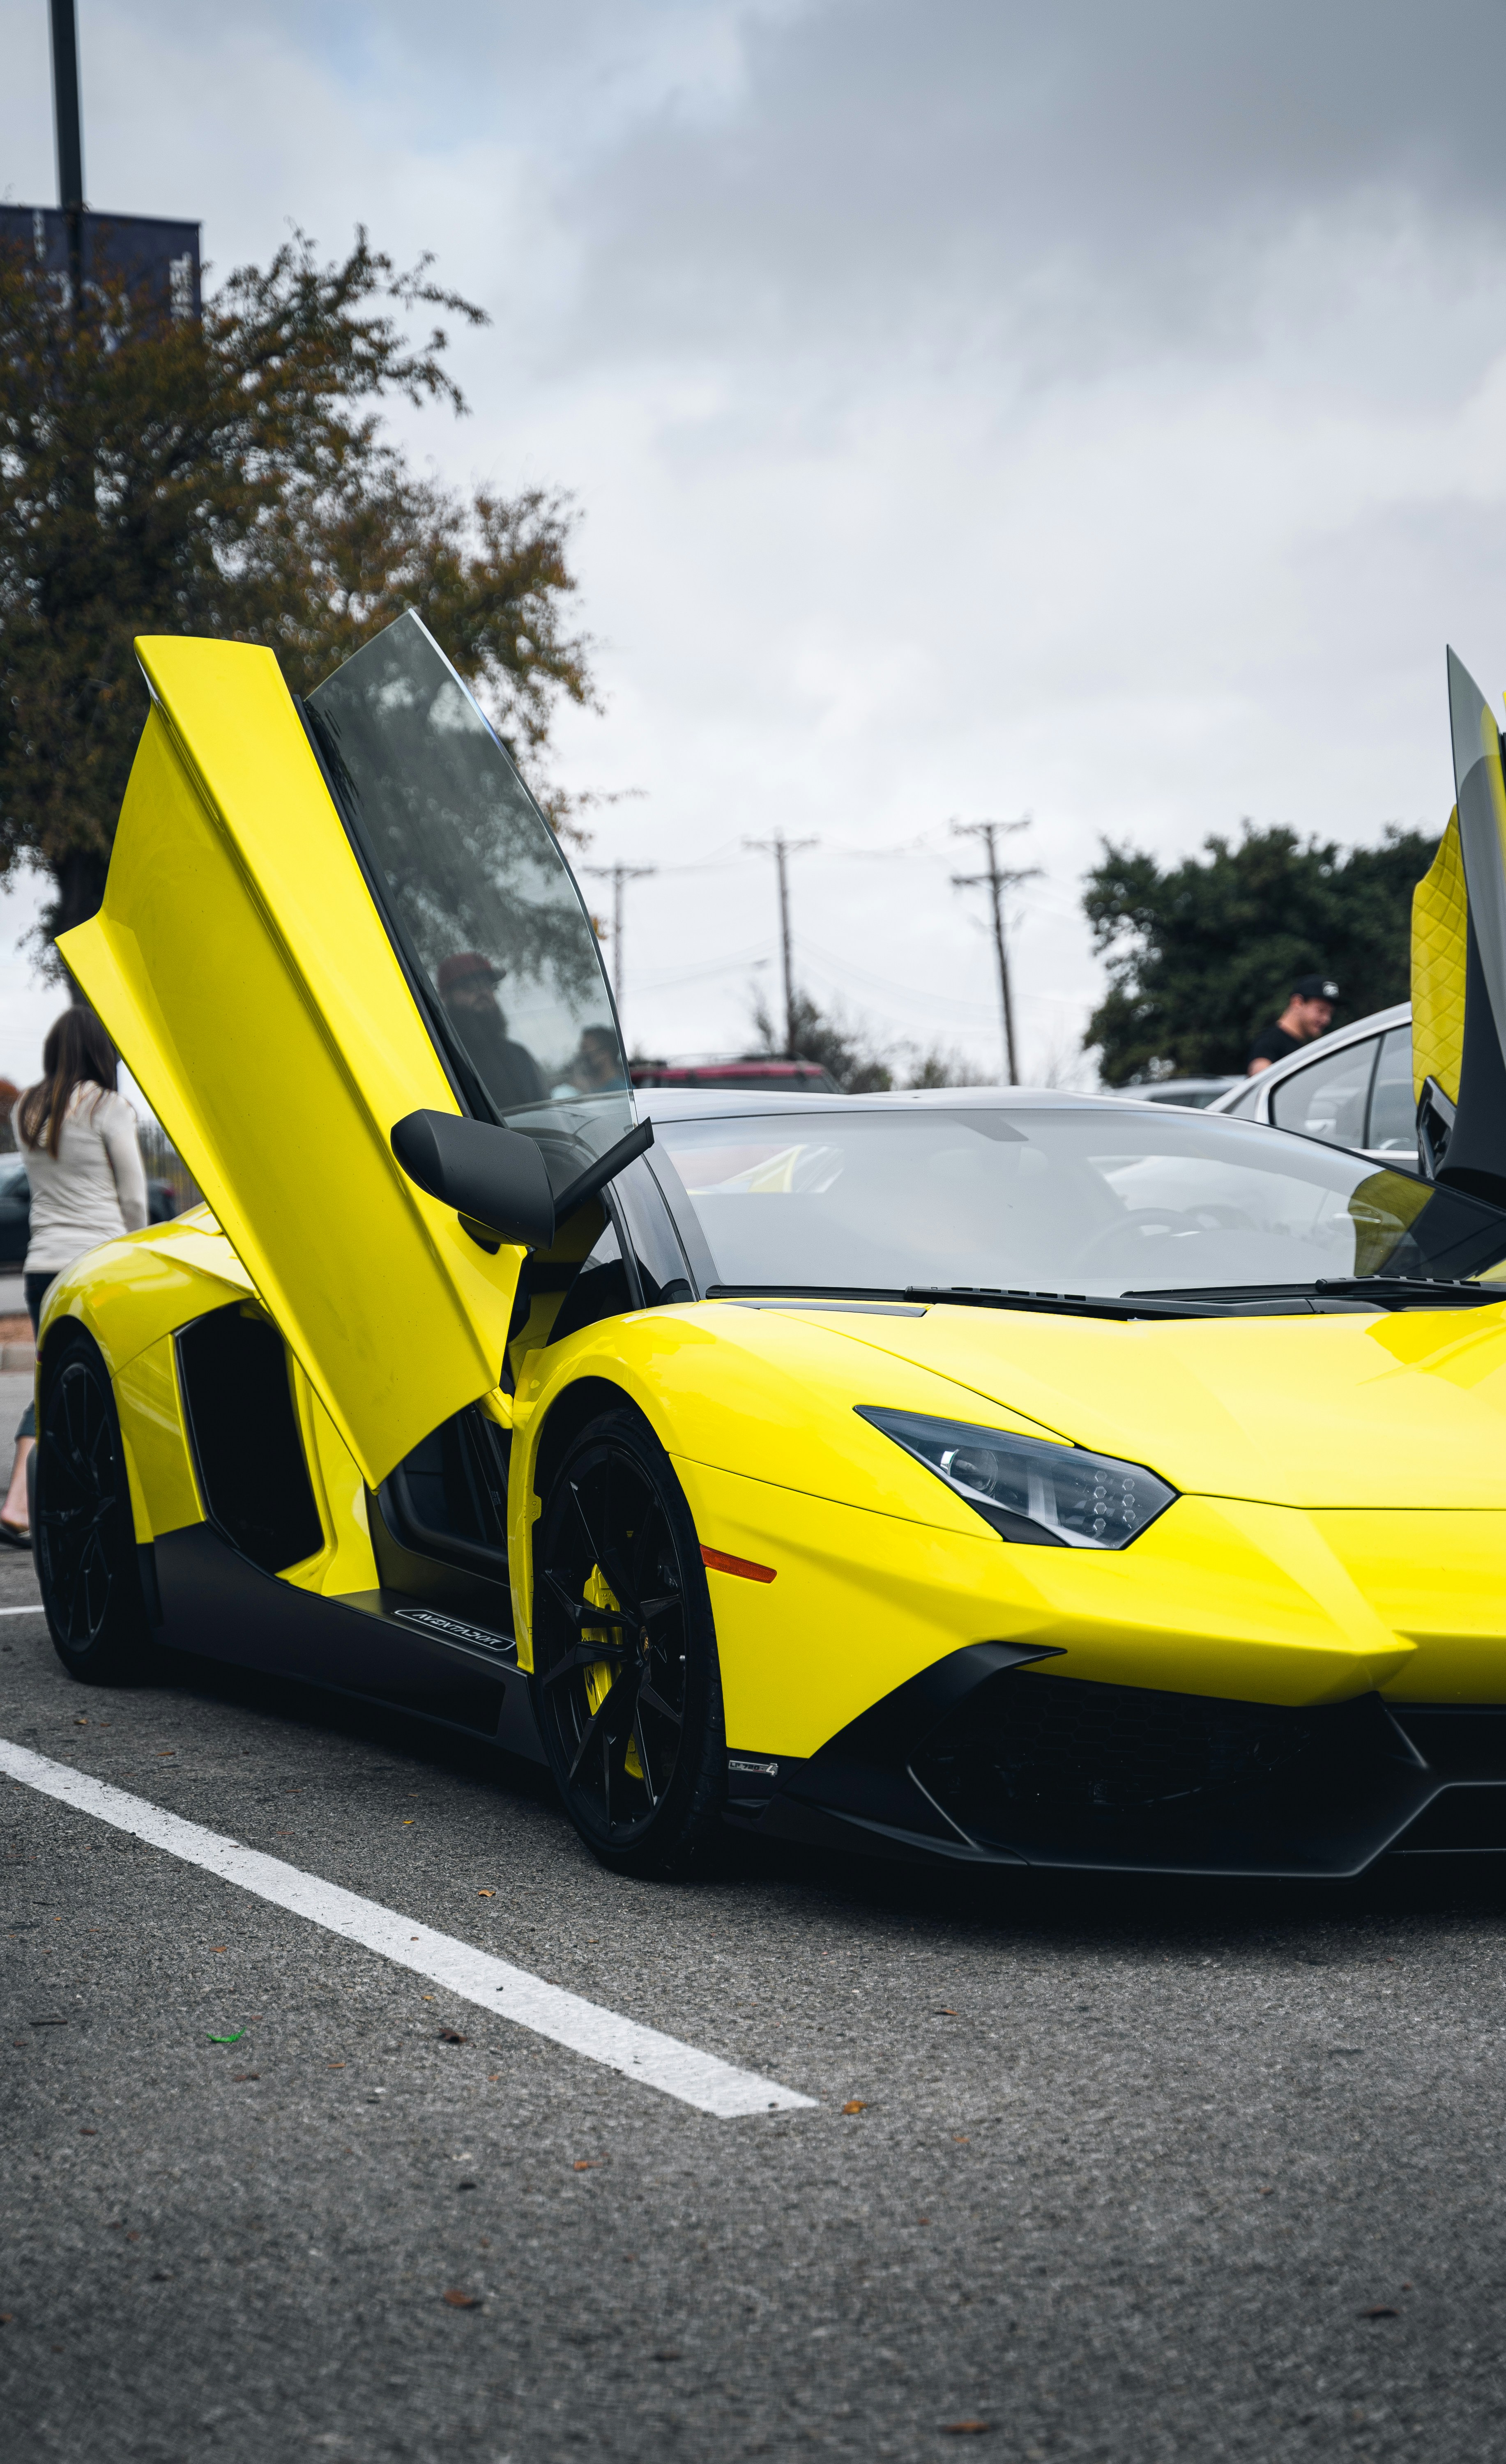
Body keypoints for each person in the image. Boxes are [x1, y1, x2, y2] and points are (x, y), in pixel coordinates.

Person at [0, 1010, 148, 1543]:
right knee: (105, 1383)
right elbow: (132, 1193)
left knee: (54, 1384)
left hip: (43, 1270)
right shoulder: (110, 1108)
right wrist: (140, 1250)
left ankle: (40, 1497)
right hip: (97, 1266)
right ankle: (25, 1501)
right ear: (100, 1054)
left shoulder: (26, 1111)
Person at [436, 951, 546, 1112]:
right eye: (469, 987)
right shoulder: (444, 1060)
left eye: (488, 985)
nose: (482, 993)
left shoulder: (519, 1055)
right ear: (446, 998)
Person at [1246, 973, 1338, 1076]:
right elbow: (1260, 1085)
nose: (1327, 1020)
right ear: (1297, 1003)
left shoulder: (1303, 1048)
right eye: (1321, 1010)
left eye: (1330, 1013)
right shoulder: (1269, 1043)